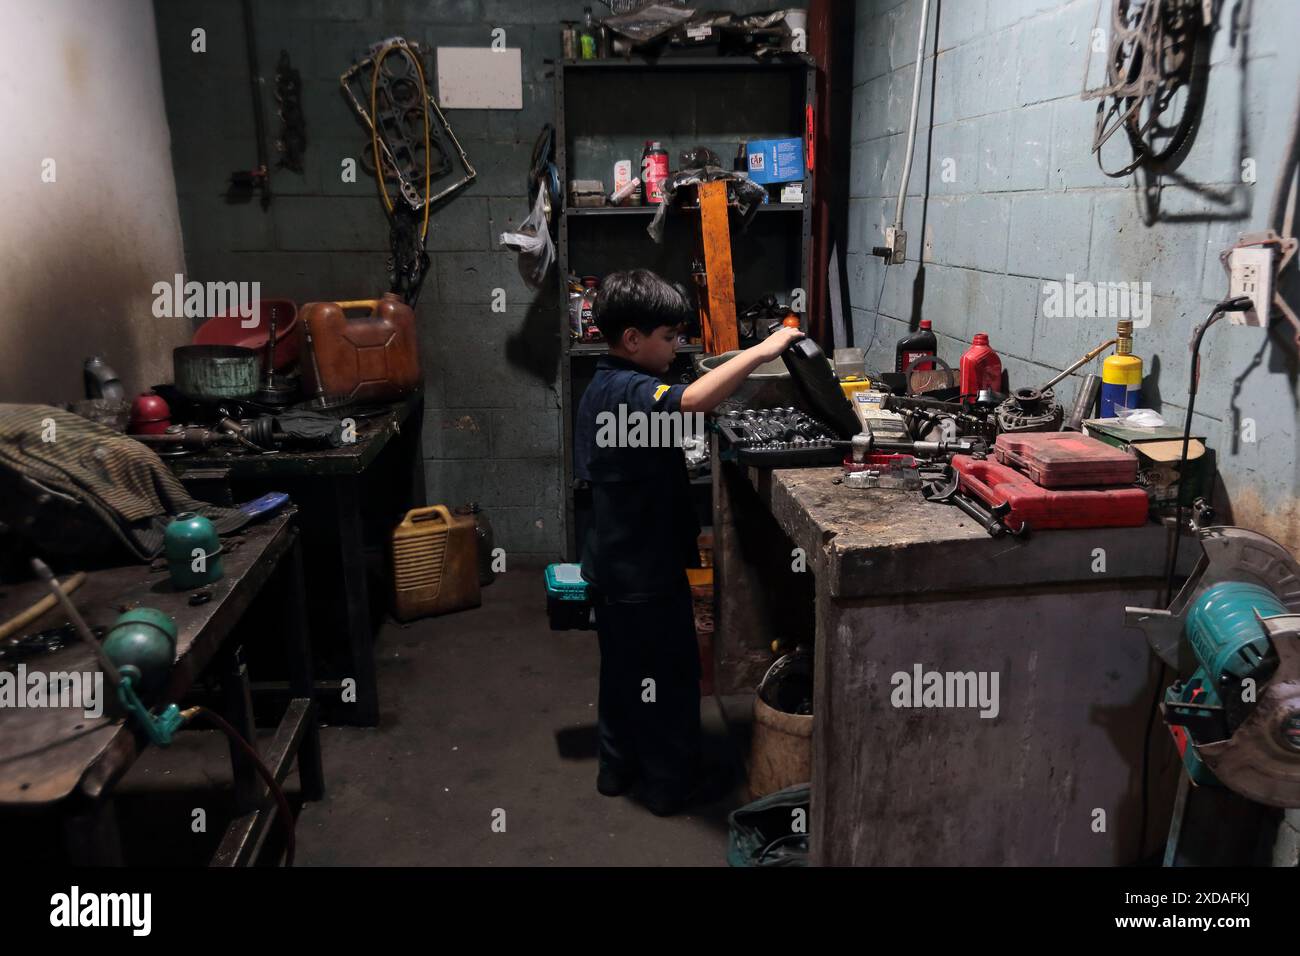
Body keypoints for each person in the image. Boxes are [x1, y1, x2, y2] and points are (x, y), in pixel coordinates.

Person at [574, 269, 804, 816]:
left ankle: (616, 768)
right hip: (644, 572)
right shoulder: (631, 389)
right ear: (632, 339)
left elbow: (664, 424)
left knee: (623, 672)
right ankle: (669, 785)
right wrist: (764, 348)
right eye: (668, 337)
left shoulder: (601, 386)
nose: (675, 346)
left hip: (612, 565)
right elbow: (695, 400)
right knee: (669, 678)